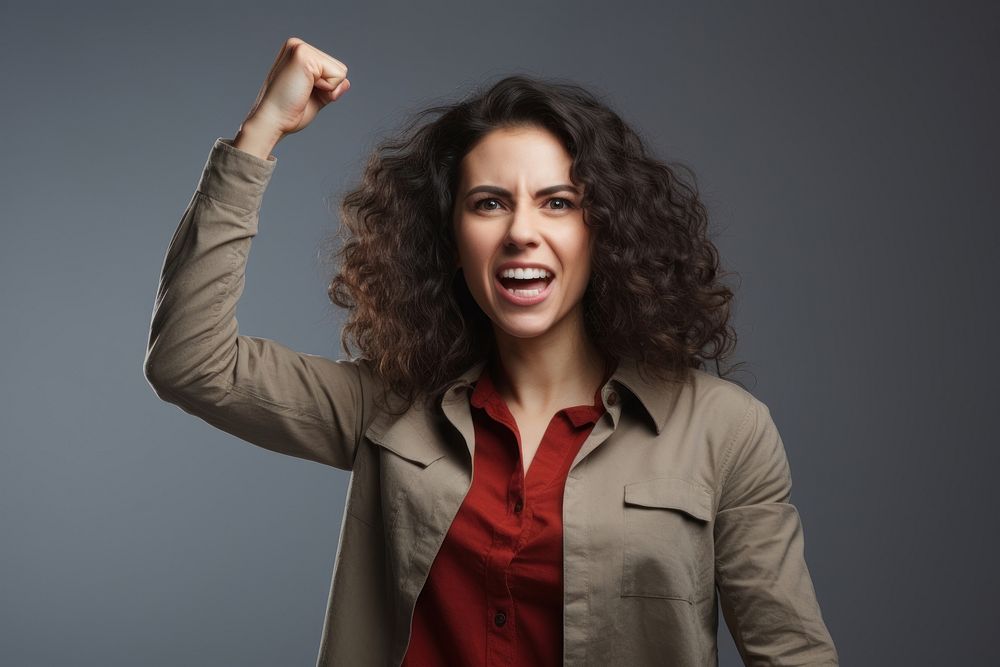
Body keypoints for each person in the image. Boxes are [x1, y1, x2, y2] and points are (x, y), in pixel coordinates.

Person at [143, 37, 839, 667]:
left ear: (606, 231)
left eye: (558, 202)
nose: (521, 233)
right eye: (487, 203)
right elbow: (191, 361)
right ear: (449, 240)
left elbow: (792, 654)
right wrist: (262, 131)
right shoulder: (388, 405)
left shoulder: (723, 431)